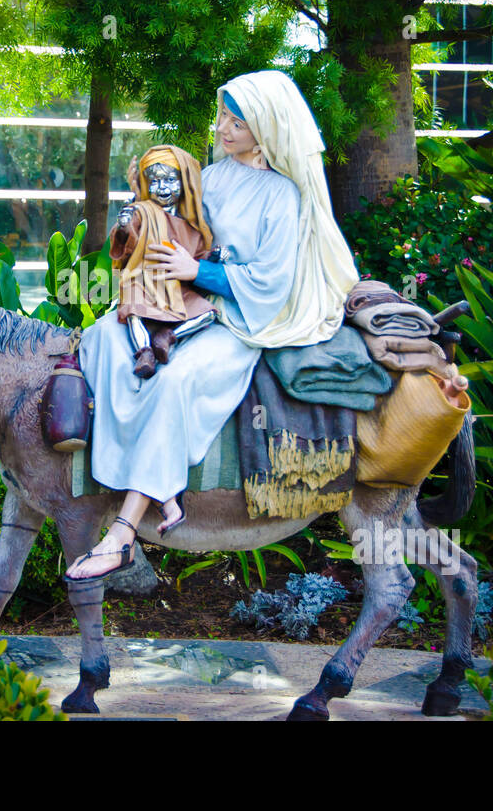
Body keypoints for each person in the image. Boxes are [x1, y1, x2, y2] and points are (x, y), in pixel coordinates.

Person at [65, 70, 361, 580]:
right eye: (221, 115)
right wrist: (138, 209)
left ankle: (125, 529)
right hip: (182, 306)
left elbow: (270, 285)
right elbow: (172, 221)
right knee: (102, 340)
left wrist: (197, 271)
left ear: (265, 128)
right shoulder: (214, 175)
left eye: (236, 121)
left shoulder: (281, 196)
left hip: (237, 322)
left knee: (175, 379)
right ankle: (120, 473)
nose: (222, 128)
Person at [111, 145, 217, 380]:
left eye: (170, 180)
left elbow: (198, 257)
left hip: (176, 289)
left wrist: (214, 257)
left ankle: (168, 336)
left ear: (184, 182)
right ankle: (145, 352)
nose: (163, 188)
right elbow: (123, 241)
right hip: (143, 281)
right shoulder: (141, 212)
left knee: (208, 314)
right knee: (133, 307)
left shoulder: (191, 225)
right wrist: (124, 223)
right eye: (155, 181)